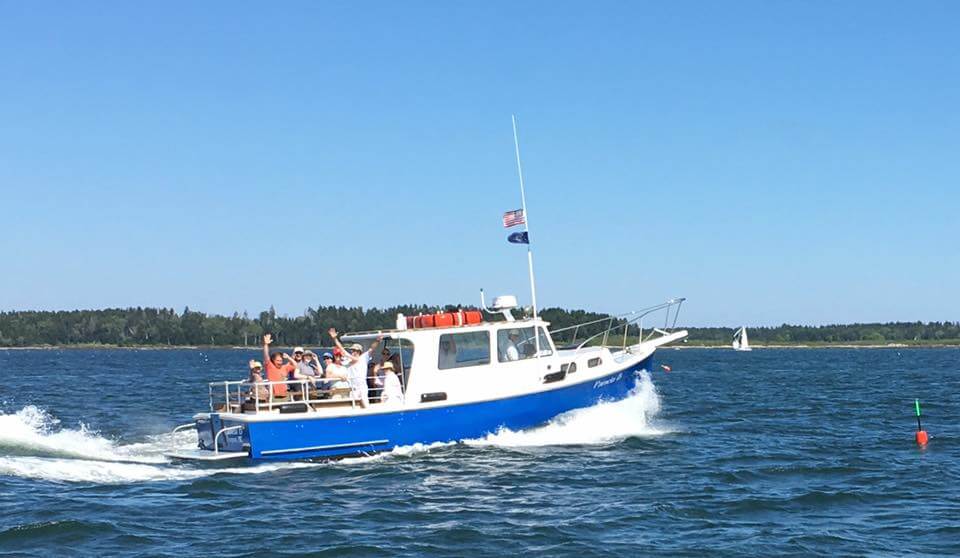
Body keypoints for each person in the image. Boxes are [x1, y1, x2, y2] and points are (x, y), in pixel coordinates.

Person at [328, 327, 382, 408]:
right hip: (352, 387)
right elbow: (341, 348)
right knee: (354, 406)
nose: (354, 352)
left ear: (359, 352)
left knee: (365, 405)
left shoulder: (363, 358)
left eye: (356, 351)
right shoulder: (347, 360)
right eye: (352, 350)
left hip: (362, 386)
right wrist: (335, 338)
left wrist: (377, 341)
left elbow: (371, 349)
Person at [262, 333, 296, 398]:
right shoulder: (270, 367)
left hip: (284, 394)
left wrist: (289, 358)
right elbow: (266, 356)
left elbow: (296, 366)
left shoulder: (285, 367)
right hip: (274, 395)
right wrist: (265, 344)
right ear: (273, 361)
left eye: (281, 360)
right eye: (278, 361)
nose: (280, 362)